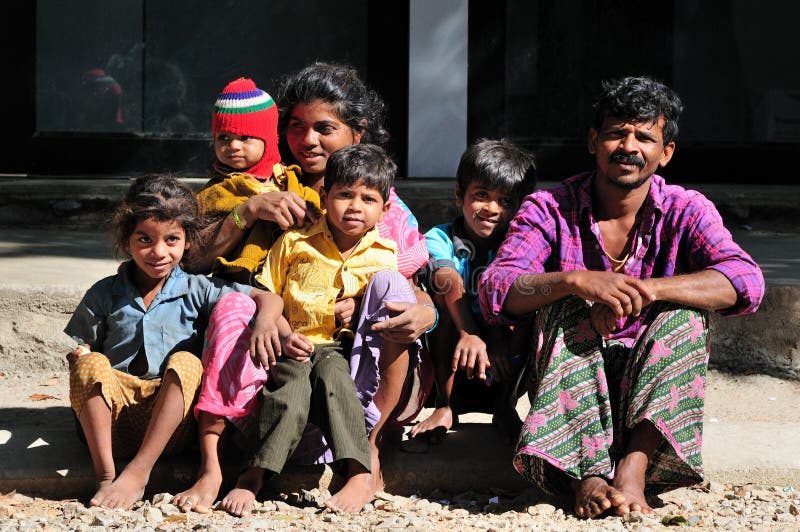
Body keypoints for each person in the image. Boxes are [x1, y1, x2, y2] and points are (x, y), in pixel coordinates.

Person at [479, 76, 764, 519]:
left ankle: (633, 468)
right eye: (616, 133)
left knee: (684, 316)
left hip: (650, 387)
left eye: (644, 137)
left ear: (665, 153)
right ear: (594, 141)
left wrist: (648, 291)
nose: (628, 146)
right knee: (563, 304)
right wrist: (576, 281)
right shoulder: (548, 208)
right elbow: (497, 287)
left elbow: (745, 280)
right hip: (568, 383)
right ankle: (586, 477)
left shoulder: (687, 209)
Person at [175, 62, 437, 515]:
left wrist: (422, 311)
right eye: (296, 126)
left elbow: (413, 285)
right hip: (276, 359)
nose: (308, 140)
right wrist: (250, 211)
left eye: (324, 128)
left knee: (391, 288)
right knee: (234, 304)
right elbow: (193, 259)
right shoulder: (267, 182)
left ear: (358, 133)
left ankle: (365, 452)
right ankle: (227, 463)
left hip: (354, 365)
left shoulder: (382, 205)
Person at [64, 175, 282, 510]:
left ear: (188, 242)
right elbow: (83, 350)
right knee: (88, 362)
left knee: (187, 363)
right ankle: (106, 477)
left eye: (171, 239)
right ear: (126, 241)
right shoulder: (105, 292)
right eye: (145, 239)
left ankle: (139, 472)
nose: (159, 252)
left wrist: (265, 322)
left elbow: (267, 299)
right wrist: (81, 361)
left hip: (170, 428)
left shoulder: (197, 288)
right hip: (111, 424)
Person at [410, 139, 537, 446]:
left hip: (502, 357)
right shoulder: (440, 236)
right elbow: (446, 279)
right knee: (443, 298)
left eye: (505, 201)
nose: (492, 209)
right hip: (452, 355)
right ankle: (445, 406)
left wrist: (493, 335)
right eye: (482, 196)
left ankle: (505, 406)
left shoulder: (519, 243)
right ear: (459, 194)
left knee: (526, 305)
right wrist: (469, 333)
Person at [187, 76, 321, 284]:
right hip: (239, 285)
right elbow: (191, 255)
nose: (233, 146)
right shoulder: (220, 189)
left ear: (268, 138)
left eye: (244, 137)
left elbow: (313, 210)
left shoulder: (288, 179)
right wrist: (247, 211)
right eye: (224, 138)